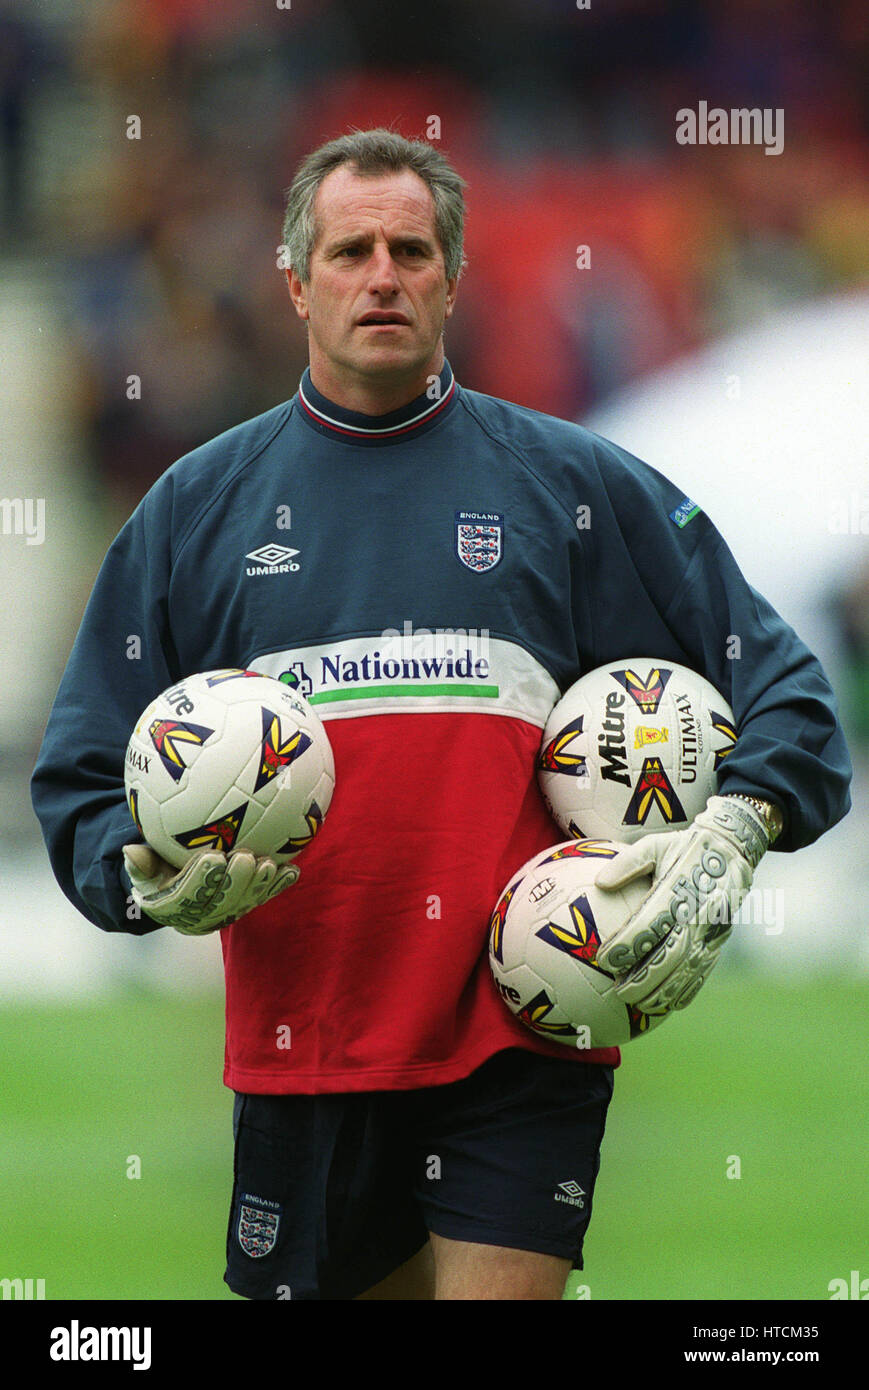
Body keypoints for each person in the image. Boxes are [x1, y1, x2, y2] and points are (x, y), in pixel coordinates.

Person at [31, 128, 851, 1302]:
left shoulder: (574, 488)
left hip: (525, 1027)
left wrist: (732, 829)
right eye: (351, 249)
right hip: (302, 1047)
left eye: (411, 250)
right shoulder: (192, 513)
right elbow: (78, 773)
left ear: (453, 279)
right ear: (294, 279)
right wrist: (139, 871)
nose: (381, 275)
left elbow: (787, 693)